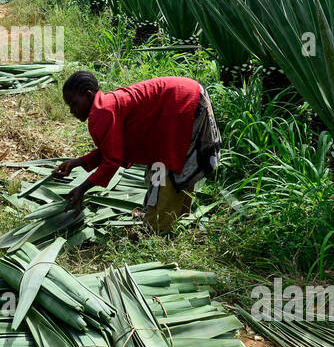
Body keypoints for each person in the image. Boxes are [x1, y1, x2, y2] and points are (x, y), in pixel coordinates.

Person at [52, 71, 221, 232]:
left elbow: (112, 161)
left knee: (168, 167)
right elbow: (112, 149)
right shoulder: (104, 106)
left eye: (74, 104)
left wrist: (82, 189)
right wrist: (79, 162)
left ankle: (161, 227)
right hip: (186, 96)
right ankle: (175, 216)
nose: (72, 111)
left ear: (89, 95)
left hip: (182, 103)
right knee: (165, 167)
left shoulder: (102, 112)